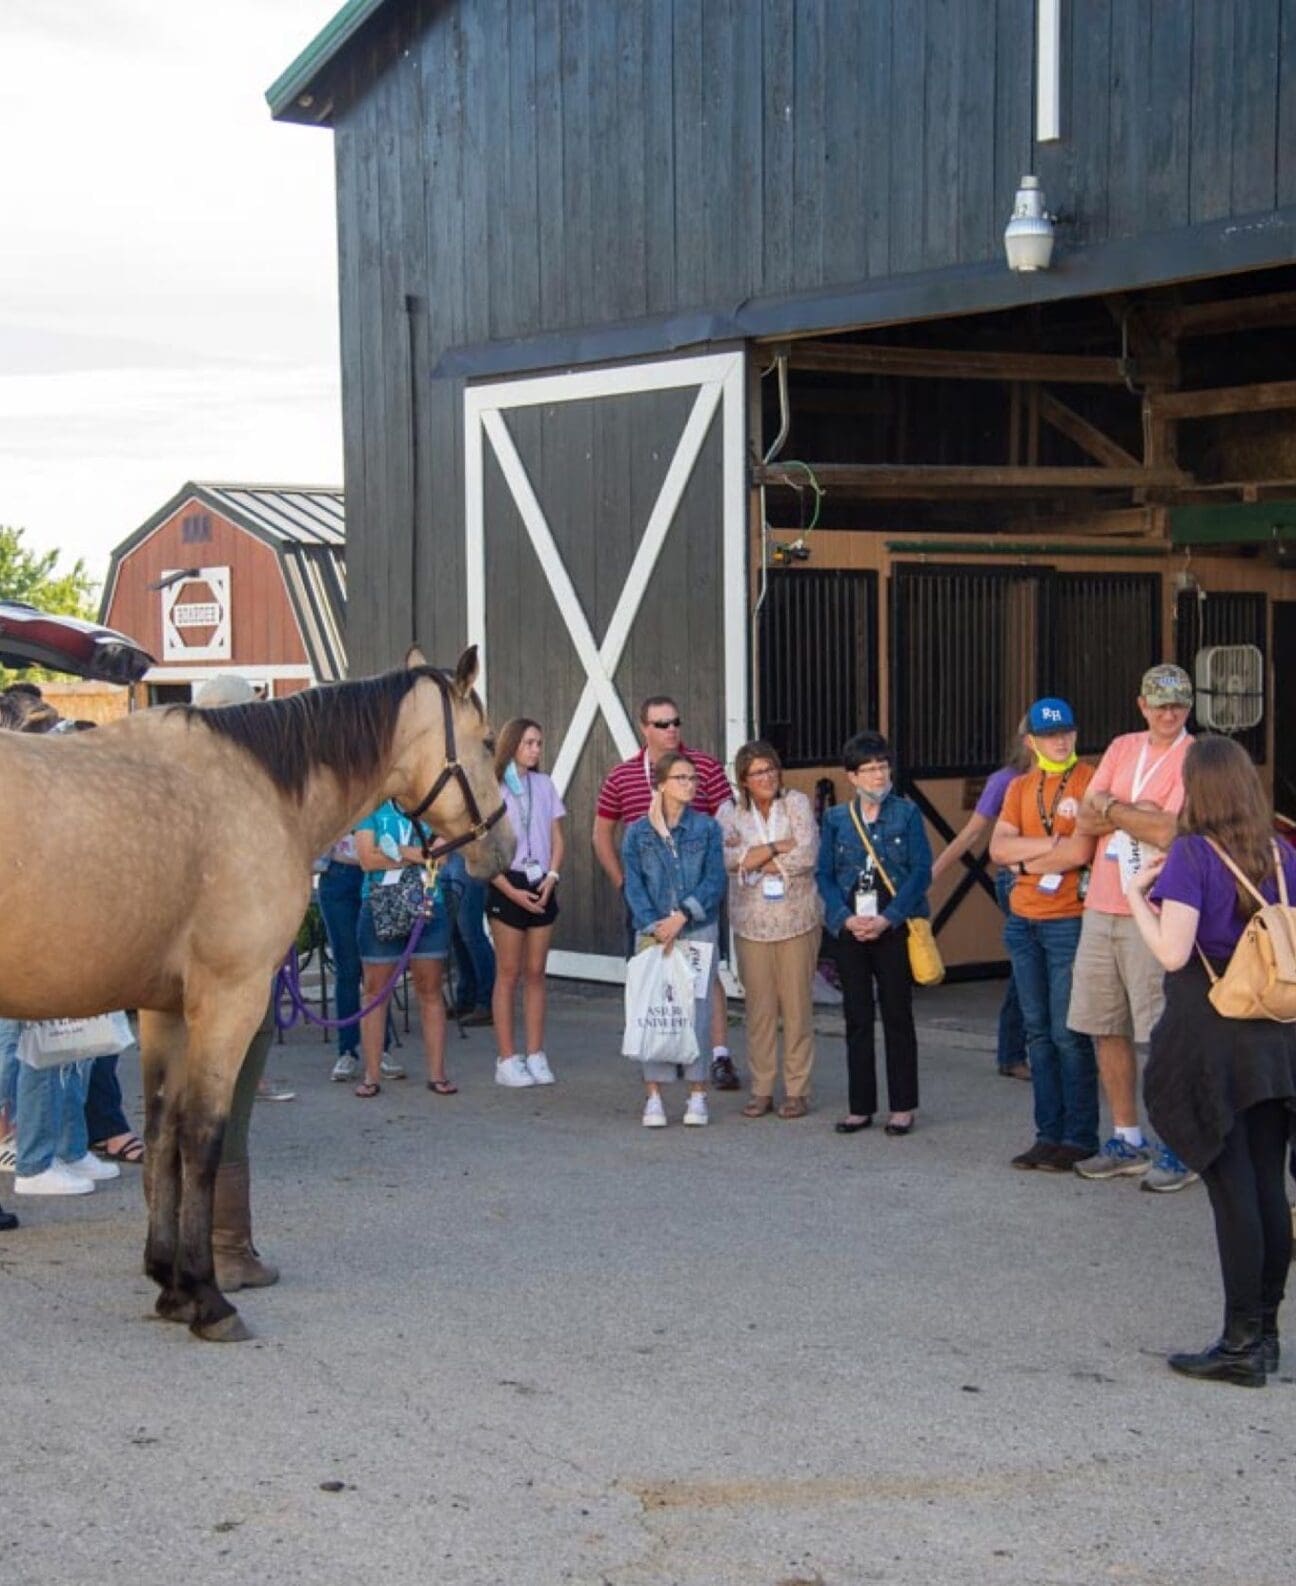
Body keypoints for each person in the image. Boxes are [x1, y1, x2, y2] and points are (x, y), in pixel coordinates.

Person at [1127, 736, 1296, 1386]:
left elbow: (1172, 955)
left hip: (1215, 1036)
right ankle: (1269, 1335)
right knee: (1267, 1187)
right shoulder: (1281, 853)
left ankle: (1239, 1343)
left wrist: (1138, 895)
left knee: (1233, 1195)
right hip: (1277, 1037)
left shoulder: (1193, 856)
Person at [1069, 664, 1195, 1190]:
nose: (1169, 713)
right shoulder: (1122, 747)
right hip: (1103, 904)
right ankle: (1126, 1137)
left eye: (1178, 704)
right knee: (1105, 1026)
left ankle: (1179, 1145)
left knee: (1162, 1035)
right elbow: (1083, 820)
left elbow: (1170, 830)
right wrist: (1132, 811)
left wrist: (1111, 808)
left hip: (1159, 908)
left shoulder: (1195, 757)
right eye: (1159, 703)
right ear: (1141, 704)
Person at [594, 696, 739, 1088]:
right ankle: (664, 1052)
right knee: (656, 979)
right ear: (644, 728)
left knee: (707, 980)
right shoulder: (622, 776)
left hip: (697, 899)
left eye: (675, 721)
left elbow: (729, 825)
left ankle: (718, 1056)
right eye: (660, 724)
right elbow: (602, 832)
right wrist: (624, 883)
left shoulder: (706, 767)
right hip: (648, 902)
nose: (670, 729)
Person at [989, 699, 1099, 1172]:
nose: (1061, 741)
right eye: (1051, 735)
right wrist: (1049, 847)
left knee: (1067, 1032)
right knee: (1036, 1033)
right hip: (1023, 919)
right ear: (1030, 741)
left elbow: (1081, 851)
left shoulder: (1091, 779)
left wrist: (1025, 859)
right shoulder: (1019, 786)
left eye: (1067, 732)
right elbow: (997, 848)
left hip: (1067, 918)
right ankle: (1046, 1134)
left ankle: (1079, 1136)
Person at [816, 731, 932, 1137]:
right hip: (852, 925)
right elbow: (824, 875)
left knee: (898, 1014)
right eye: (869, 769)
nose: (878, 776)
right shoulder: (834, 820)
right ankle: (859, 1106)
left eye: (883, 767)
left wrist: (891, 917)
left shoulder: (907, 814)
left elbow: (921, 871)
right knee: (857, 1017)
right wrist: (844, 917)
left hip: (893, 923)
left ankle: (902, 1106)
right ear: (852, 776)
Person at [622, 751, 726, 1127]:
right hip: (653, 932)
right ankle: (654, 1096)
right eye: (681, 778)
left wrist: (683, 914)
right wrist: (654, 925)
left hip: (697, 929)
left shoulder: (708, 829)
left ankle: (697, 1095)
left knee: (696, 1010)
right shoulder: (637, 833)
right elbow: (633, 886)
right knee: (655, 1010)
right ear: (661, 784)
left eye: (693, 778)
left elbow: (715, 880)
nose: (690, 785)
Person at [718, 741, 821, 1119]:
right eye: (758, 772)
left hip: (797, 919)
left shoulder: (795, 803)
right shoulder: (729, 812)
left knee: (796, 1007)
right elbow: (729, 859)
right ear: (744, 779)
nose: (767, 778)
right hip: (751, 922)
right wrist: (777, 847)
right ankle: (762, 1087)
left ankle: (797, 1089)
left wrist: (757, 859)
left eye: (772, 769)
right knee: (759, 1009)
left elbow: (807, 853)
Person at [931, 717, 1032, 1080]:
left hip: (1062, 881)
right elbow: (972, 834)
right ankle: (1012, 1051)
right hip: (1019, 881)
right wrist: (932, 873)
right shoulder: (1005, 781)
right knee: (1028, 963)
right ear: (1025, 740)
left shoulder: (1074, 779)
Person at [353, 800, 456, 1098]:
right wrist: (418, 856)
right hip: (379, 905)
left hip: (426, 905)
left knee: (430, 990)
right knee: (375, 991)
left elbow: (441, 856)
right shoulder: (370, 808)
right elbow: (366, 859)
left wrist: (394, 851)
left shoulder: (432, 811)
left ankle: (437, 1074)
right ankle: (372, 1075)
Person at [486, 718, 566, 1087]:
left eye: (538, 742)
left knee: (536, 972)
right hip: (508, 881)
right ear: (512, 744)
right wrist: (509, 890)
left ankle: (536, 1052)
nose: (535, 749)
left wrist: (552, 876)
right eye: (529, 742)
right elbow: (483, 850)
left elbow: (557, 837)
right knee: (509, 972)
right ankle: (507, 1057)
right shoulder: (493, 788)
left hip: (542, 880)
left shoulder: (545, 785)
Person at [317, 834, 405, 1083]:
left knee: (377, 970)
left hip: (377, 874)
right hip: (338, 872)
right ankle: (348, 1049)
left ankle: (381, 1048)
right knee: (347, 968)